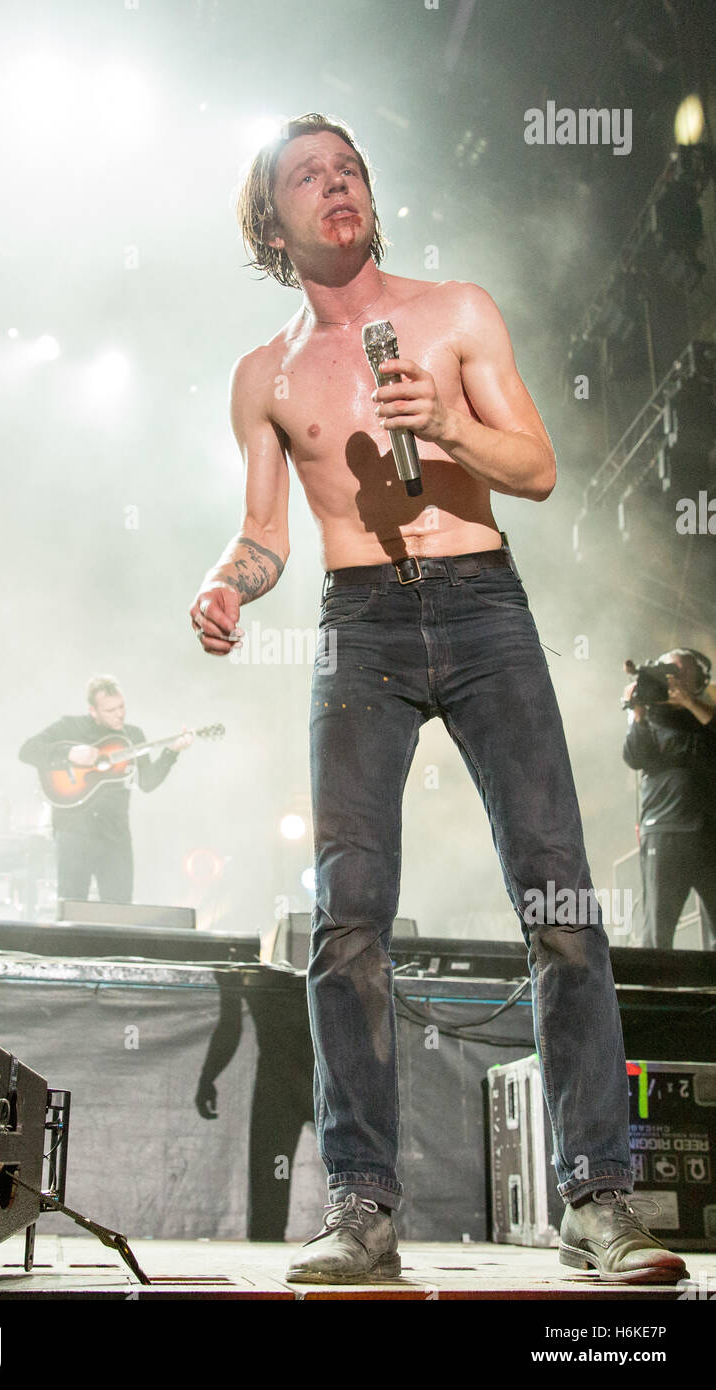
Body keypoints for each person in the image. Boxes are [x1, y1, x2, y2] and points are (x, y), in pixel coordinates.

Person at [190, 112, 686, 1286]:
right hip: (357, 626)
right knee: (347, 920)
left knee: (559, 897)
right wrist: (226, 584)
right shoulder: (263, 375)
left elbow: (538, 469)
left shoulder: (455, 310)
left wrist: (447, 421)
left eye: (349, 168)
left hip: (480, 605)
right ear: (272, 218)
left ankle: (596, 1198)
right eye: (308, 176)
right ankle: (360, 1207)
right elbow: (265, 531)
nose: (336, 186)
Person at [19, 674, 191, 903]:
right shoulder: (70, 727)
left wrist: (172, 752)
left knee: (119, 908)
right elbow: (27, 750)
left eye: (121, 707)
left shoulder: (132, 736)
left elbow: (147, 783)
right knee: (72, 906)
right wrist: (68, 754)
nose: (120, 714)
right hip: (74, 831)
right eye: (111, 710)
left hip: (115, 835)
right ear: (93, 711)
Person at [623, 648, 716, 949]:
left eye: (683, 673)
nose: (675, 679)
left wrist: (688, 701)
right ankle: (658, 993)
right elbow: (635, 758)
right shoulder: (650, 717)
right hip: (664, 833)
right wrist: (637, 714)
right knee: (658, 932)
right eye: (669, 673)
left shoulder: (706, 714)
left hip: (709, 833)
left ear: (699, 679)